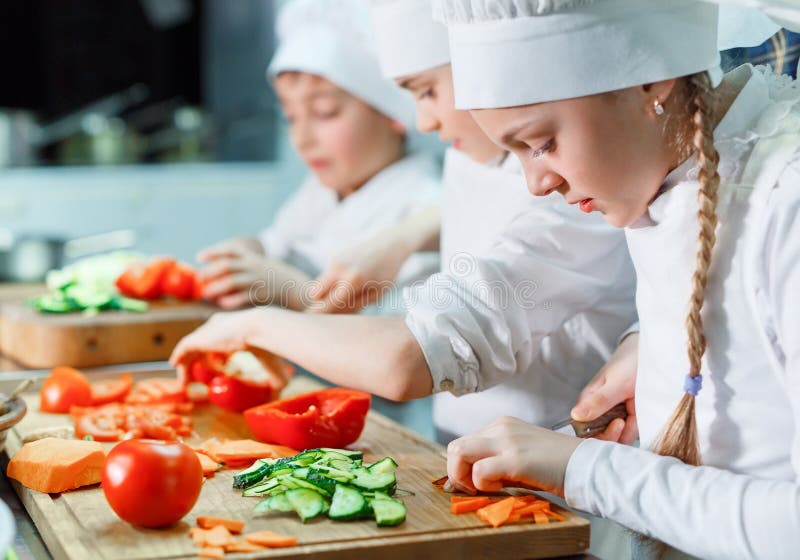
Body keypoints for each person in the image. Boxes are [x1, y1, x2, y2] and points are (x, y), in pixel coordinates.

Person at [169, 0, 637, 445]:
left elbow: (409, 353)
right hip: (464, 453)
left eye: (428, 91)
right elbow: (483, 204)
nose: (421, 122)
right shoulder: (475, 162)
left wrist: (259, 323)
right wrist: (402, 237)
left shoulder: (577, 192)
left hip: (557, 480)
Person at [433, 0, 800, 558]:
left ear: (650, 79)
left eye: (543, 144)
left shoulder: (786, 204)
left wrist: (587, 470)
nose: (536, 184)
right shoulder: (666, 175)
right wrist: (653, 352)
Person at [197, 0, 440, 312]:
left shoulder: (424, 204)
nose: (302, 138)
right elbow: (279, 246)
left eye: (325, 113)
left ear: (393, 111)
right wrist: (248, 252)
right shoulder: (321, 191)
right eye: (291, 117)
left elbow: (399, 338)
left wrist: (297, 292)